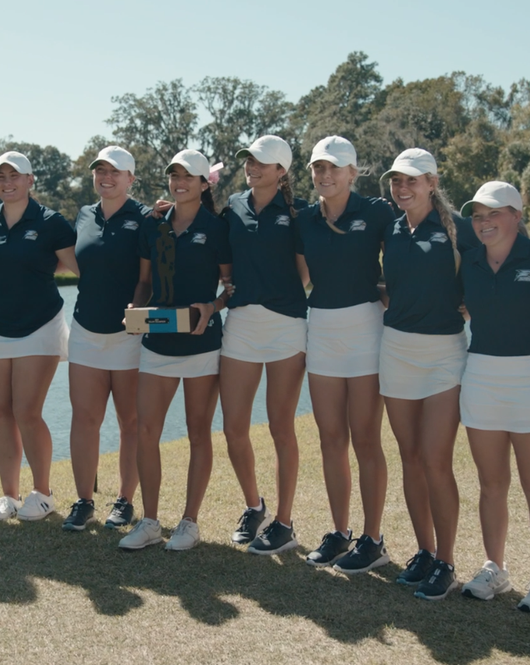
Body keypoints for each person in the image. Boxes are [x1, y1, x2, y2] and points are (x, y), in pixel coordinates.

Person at [456, 181, 530, 613]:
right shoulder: (469, 261)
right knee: (491, 484)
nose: (484, 223)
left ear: (517, 216)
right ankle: (495, 568)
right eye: (478, 216)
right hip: (481, 376)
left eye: (494, 214)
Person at [118, 149, 232, 552]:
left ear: (204, 183)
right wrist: (136, 309)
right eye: (174, 176)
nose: (179, 183)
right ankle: (150, 522)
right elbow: (144, 282)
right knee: (146, 431)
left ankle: (189, 522)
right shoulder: (153, 224)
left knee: (198, 432)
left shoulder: (217, 228)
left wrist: (213, 307)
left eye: (188, 176)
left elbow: (230, 286)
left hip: (202, 342)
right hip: (158, 341)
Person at [293, 137, 396, 571]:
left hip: (366, 329)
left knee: (366, 438)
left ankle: (373, 540)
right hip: (322, 328)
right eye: (319, 167)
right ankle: (340, 533)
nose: (325, 175)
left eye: (334, 167)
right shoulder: (304, 218)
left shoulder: (377, 212)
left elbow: (411, 252)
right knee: (331, 438)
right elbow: (297, 274)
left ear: (353, 173)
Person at [379, 148, 477, 600]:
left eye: (412, 180)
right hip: (397, 350)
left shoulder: (459, 228)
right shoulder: (392, 228)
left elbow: (495, 266)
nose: (403, 188)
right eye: (397, 180)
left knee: (437, 460)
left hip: (444, 355)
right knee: (411, 457)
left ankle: (446, 561)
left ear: (432, 183)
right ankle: (424, 550)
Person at [217, 135, 309, 555]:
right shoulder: (234, 205)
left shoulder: (298, 211)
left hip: (286, 325)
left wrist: (277, 292)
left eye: (260, 162)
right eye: (248, 161)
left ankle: (284, 523)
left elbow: (305, 272)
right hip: (241, 324)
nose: (251, 167)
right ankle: (254, 506)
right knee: (233, 427)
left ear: (281, 171)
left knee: (280, 427)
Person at [0, 151, 78, 522]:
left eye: (15, 176)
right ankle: (9, 495)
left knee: (27, 412)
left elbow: (80, 266)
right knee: (1, 413)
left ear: (30, 180)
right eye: (1, 177)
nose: (7, 183)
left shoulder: (51, 222)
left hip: (40, 326)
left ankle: (43, 493)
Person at [63, 146, 149, 532]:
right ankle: (83, 501)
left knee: (130, 421)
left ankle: (125, 501)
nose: (106, 177)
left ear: (131, 178)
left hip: (129, 335)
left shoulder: (145, 217)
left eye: (115, 172)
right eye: (100, 171)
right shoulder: (84, 215)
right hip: (85, 331)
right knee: (84, 419)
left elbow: (150, 276)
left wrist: (140, 306)